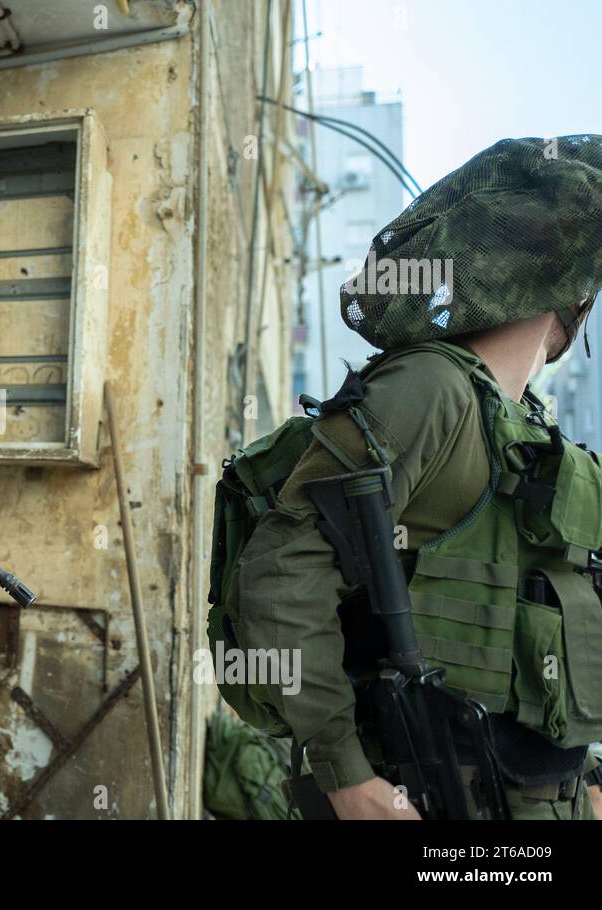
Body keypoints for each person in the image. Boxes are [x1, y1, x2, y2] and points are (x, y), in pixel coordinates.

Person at [225, 135, 602, 820]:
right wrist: (346, 776)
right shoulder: (431, 390)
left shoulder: (532, 430)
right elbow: (281, 572)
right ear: (571, 290)